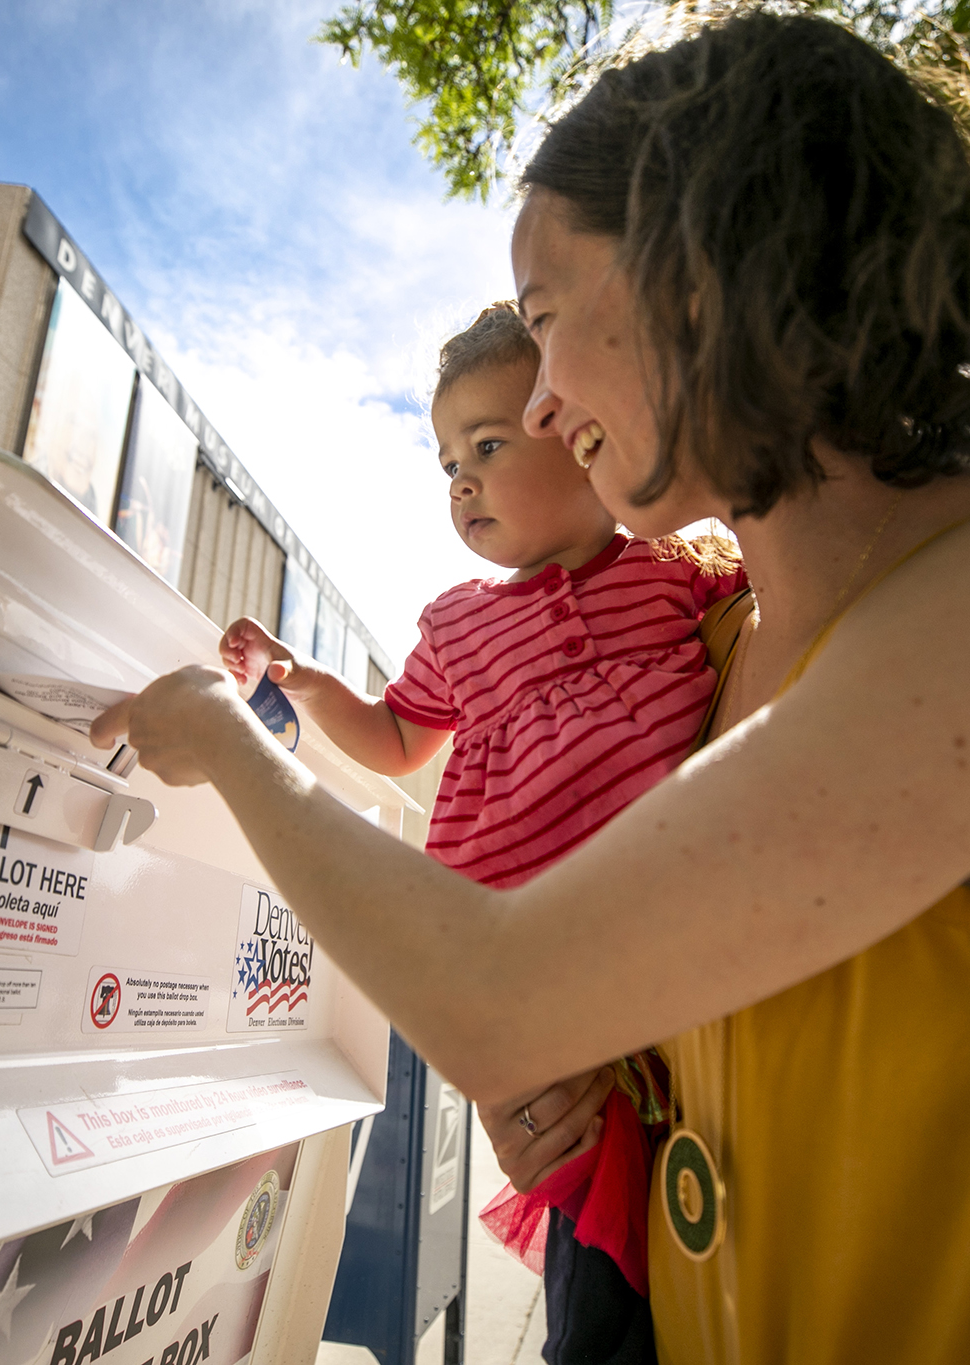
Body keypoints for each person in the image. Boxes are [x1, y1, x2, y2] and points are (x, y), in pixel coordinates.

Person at [95, 12, 970, 1363]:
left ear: (703, 270)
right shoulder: (710, 653)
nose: (540, 400)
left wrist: (232, 743)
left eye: (549, 319)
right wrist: (598, 1094)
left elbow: (494, 990)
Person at [217, 305, 744, 1364]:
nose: (459, 481)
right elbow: (401, 736)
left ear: (576, 429)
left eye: (488, 447)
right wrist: (309, 686)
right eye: (447, 461)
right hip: (526, 964)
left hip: (674, 951)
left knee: (695, 1229)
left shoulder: (678, 573)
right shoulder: (457, 624)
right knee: (594, 1235)